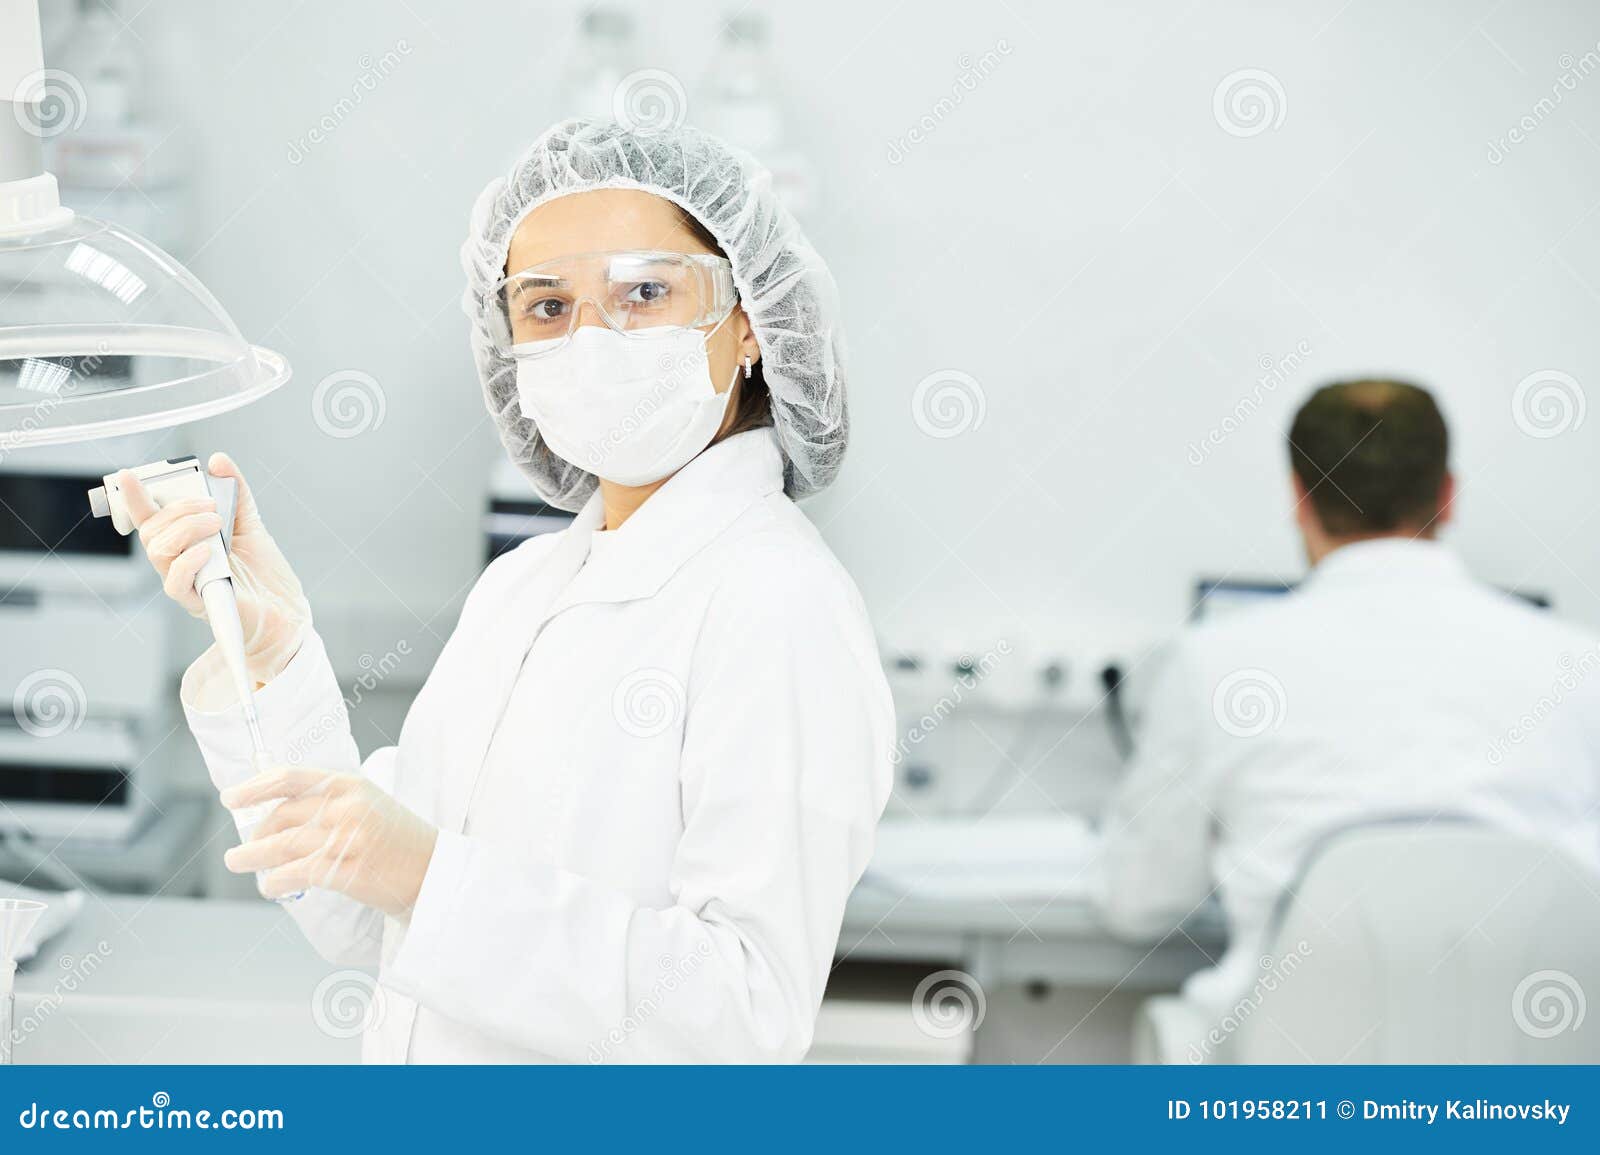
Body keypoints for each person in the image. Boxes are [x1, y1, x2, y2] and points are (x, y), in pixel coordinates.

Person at [118, 119, 894, 1063]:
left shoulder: (780, 602)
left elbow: (741, 1013)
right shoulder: (523, 588)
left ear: (748, 325)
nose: (593, 339)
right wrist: (272, 661)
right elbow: (367, 919)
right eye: (548, 305)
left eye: (645, 291)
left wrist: (426, 876)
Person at [1100, 379, 1600, 1036]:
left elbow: (1138, 903)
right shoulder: (1581, 667)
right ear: (1449, 495)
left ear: (1298, 496)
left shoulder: (1212, 663)